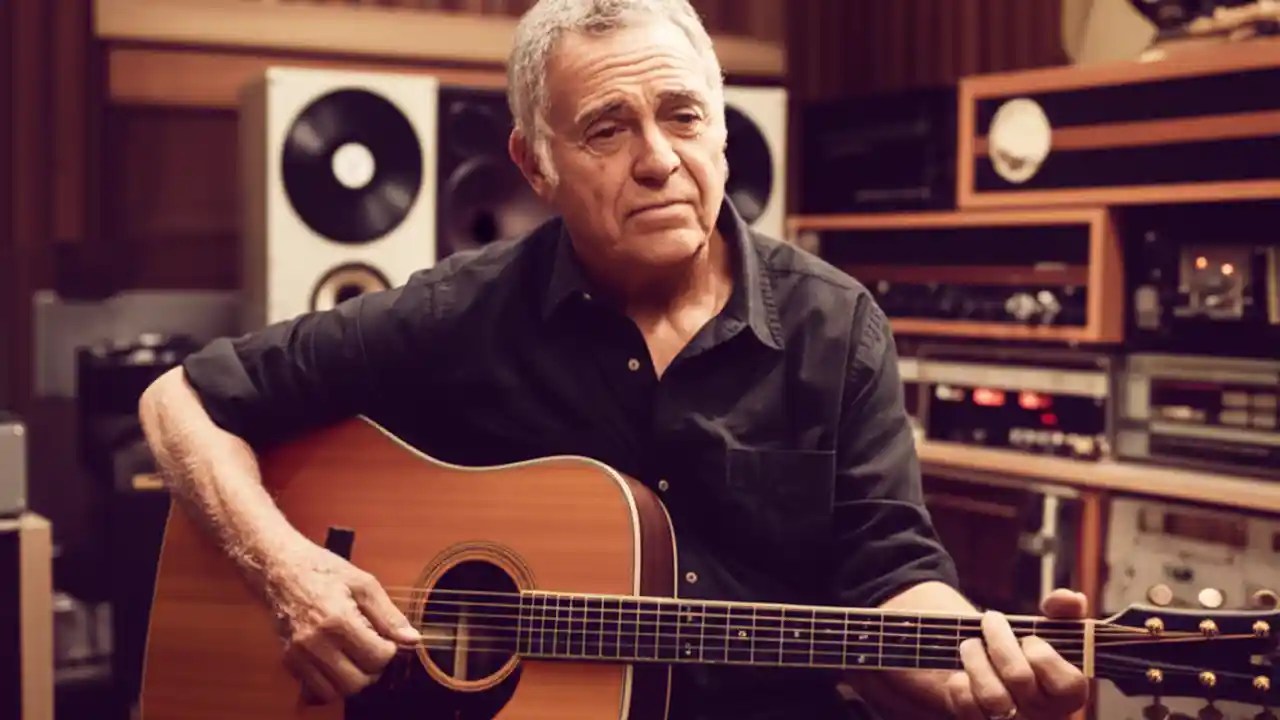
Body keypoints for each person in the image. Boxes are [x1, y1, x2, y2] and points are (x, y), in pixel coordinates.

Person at [137, 1, 1091, 718]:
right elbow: (182, 400)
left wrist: (985, 679)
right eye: (607, 128)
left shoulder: (835, 328)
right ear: (534, 162)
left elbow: (887, 576)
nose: (659, 159)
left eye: (683, 116)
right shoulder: (459, 311)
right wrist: (289, 575)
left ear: (723, 130)